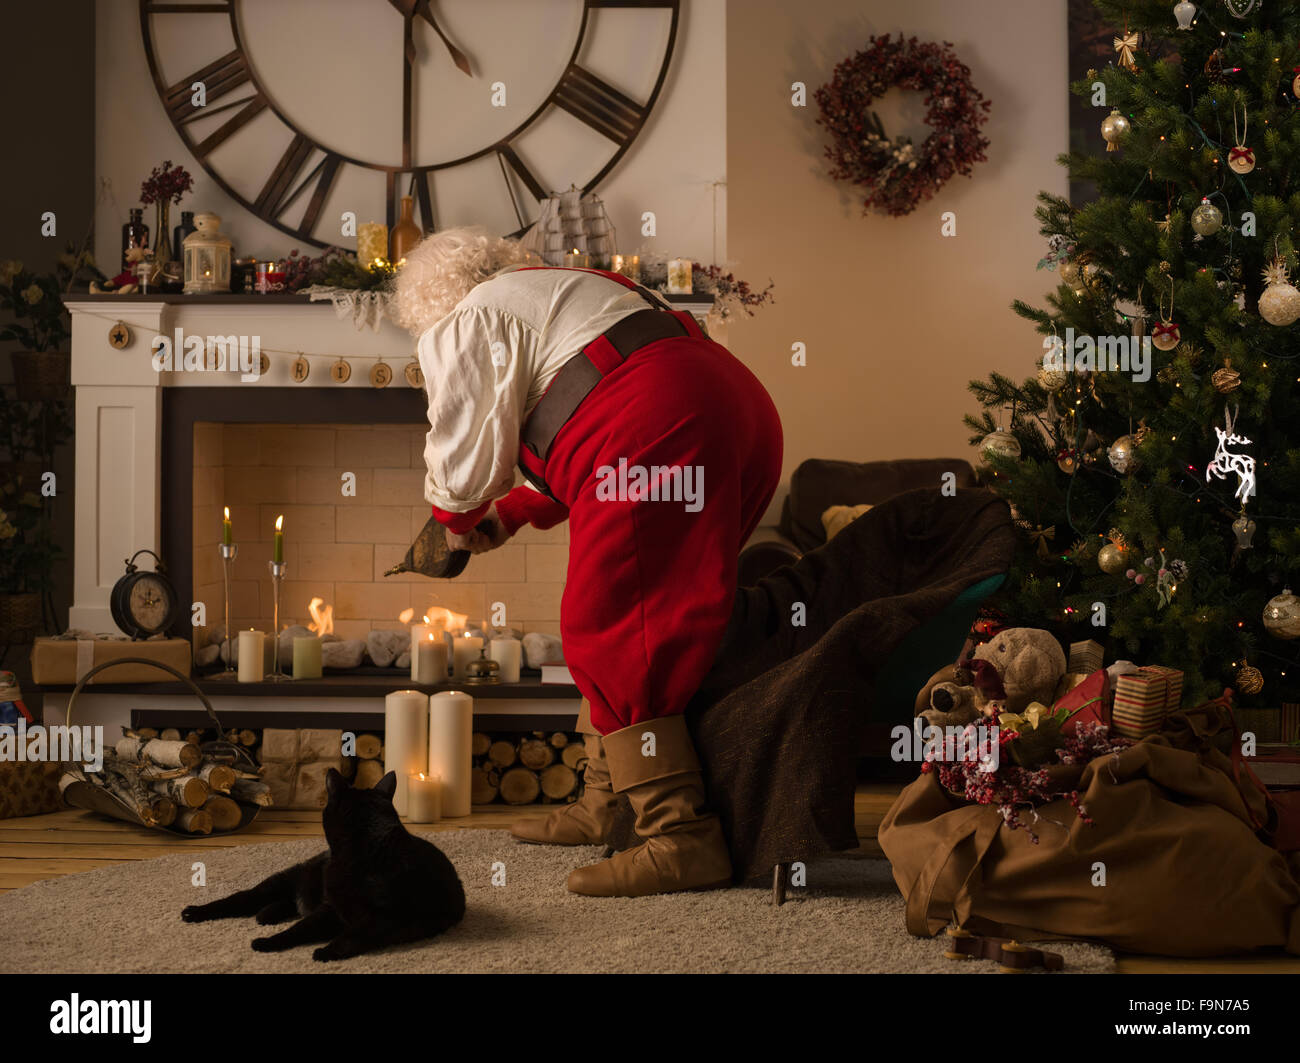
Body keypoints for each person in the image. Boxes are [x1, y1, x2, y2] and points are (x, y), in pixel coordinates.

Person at [393, 227, 782, 897]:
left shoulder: (468, 316)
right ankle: (610, 802)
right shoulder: (566, 293)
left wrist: (454, 524)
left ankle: (680, 834)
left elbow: (460, 450)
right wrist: (513, 512)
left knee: (613, 623)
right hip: (736, 410)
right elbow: (583, 423)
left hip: (656, 424)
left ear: (428, 301)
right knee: (645, 618)